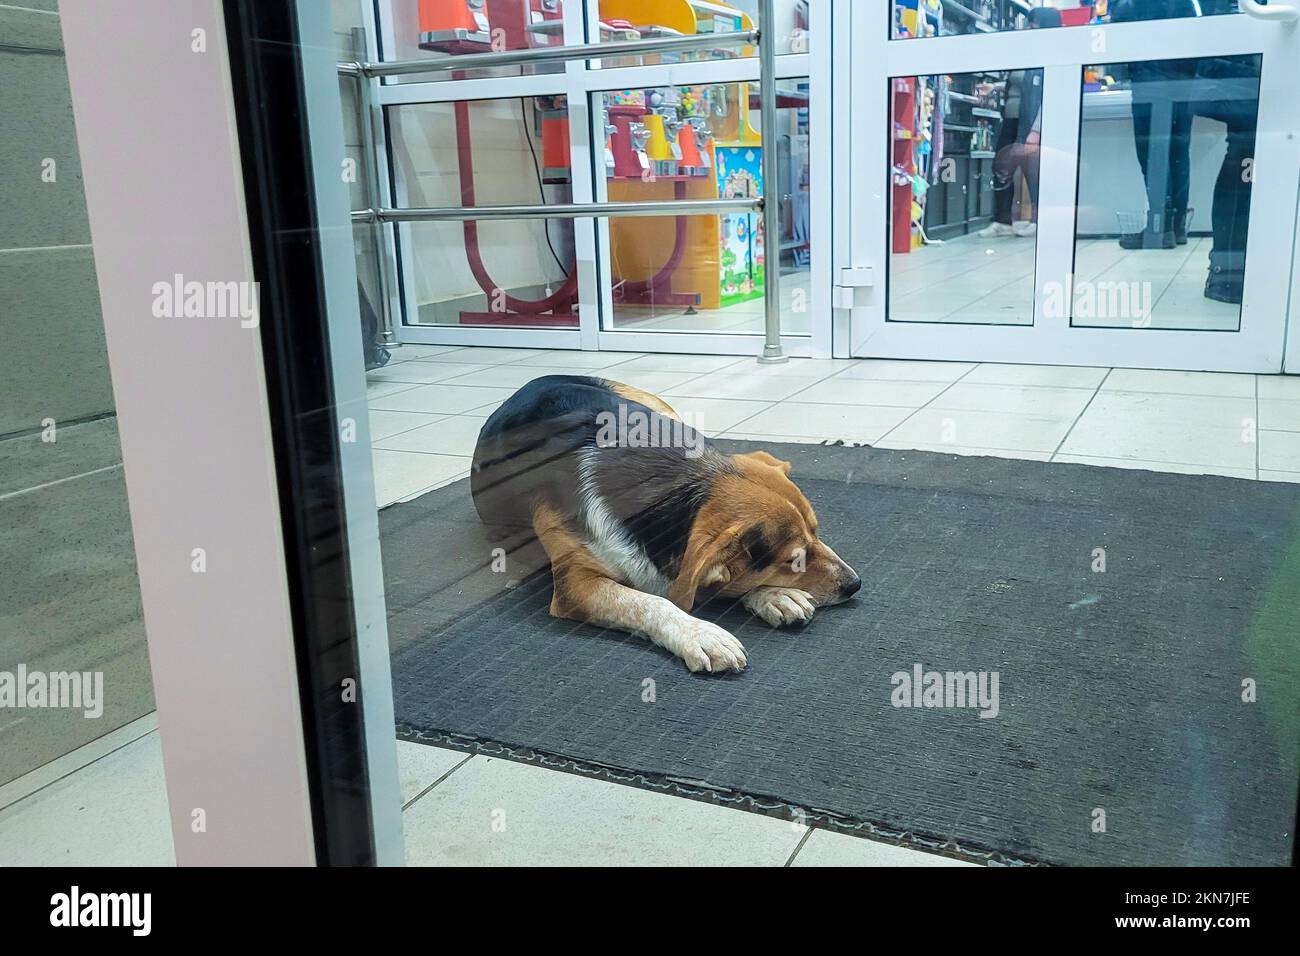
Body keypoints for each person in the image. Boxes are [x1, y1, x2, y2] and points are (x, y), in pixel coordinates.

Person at [1110, 0, 1198, 249]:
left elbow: (1116, 46)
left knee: (1151, 156)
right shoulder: (1186, 4)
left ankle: (1159, 227)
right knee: (1179, 154)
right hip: (1183, 87)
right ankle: (1177, 226)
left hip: (1149, 85)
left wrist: (1120, 74)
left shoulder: (1129, 4)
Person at [976, 7, 1062, 239]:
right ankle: (1002, 221)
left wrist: (1037, 129)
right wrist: (994, 87)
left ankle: (1039, 220)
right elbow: (1018, 85)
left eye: (1033, 24)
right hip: (1011, 120)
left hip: (1031, 123)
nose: (1028, 28)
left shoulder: (1053, 55)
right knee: (1001, 168)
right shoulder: (1025, 52)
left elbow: (1050, 94)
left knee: (1033, 171)